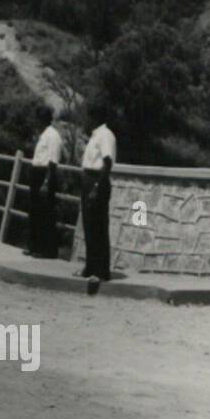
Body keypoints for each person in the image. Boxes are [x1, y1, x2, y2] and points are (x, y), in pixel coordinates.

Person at [78, 101, 118, 284]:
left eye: (90, 116)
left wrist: (96, 187)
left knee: (98, 226)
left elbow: (107, 162)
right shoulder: (95, 136)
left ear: (96, 117)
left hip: (97, 181)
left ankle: (101, 271)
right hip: (88, 179)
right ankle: (90, 267)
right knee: (89, 225)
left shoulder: (105, 135)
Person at [25, 107, 63, 259]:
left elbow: (53, 161)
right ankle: (34, 246)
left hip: (45, 174)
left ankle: (47, 250)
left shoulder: (53, 135)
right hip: (37, 173)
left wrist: (47, 181)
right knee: (35, 211)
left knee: (45, 213)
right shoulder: (43, 135)